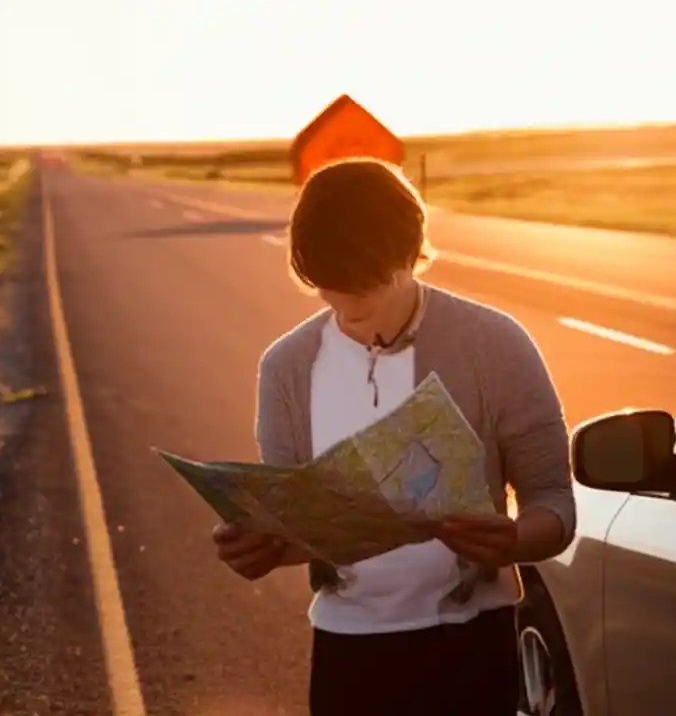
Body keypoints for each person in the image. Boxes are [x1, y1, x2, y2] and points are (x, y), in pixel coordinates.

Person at [211, 157, 575, 715]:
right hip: (347, 652)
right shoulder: (286, 367)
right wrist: (261, 548)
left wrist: (514, 541)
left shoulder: (495, 346)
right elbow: (300, 527)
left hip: (471, 646)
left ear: (411, 252)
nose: (347, 307)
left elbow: (554, 505)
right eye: (330, 289)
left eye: (366, 288)